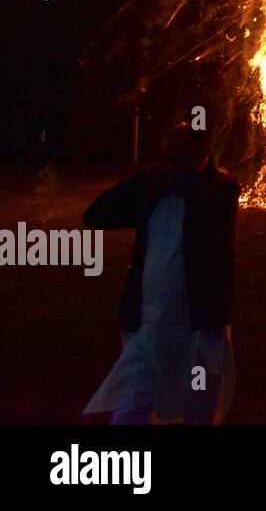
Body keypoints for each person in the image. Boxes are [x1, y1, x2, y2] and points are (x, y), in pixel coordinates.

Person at [83, 124, 239, 425]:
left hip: (196, 325)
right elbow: (96, 214)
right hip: (149, 324)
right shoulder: (153, 195)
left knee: (199, 406)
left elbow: (205, 204)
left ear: (202, 159)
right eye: (165, 158)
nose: (169, 166)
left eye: (178, 158)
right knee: (130, 404)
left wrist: (181, 176)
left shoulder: (221, 189)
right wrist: (143, 179)